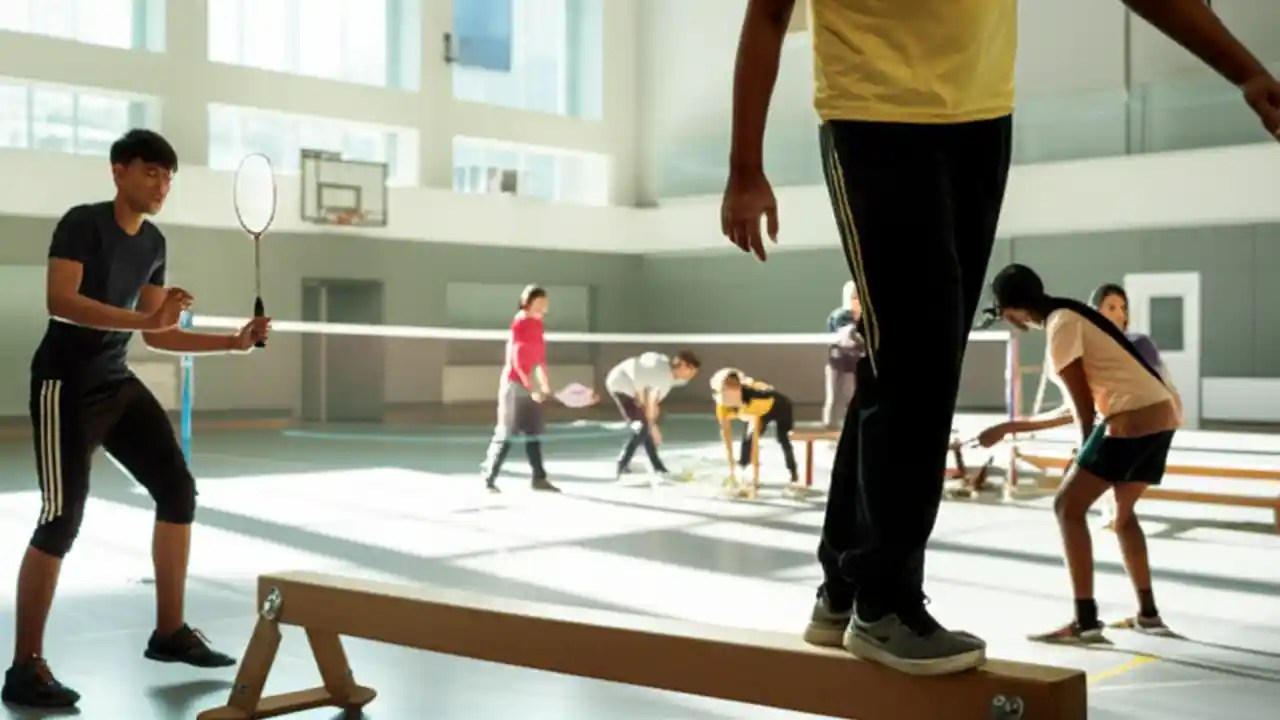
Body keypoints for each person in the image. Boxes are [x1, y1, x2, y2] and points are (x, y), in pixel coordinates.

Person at [719, 0, 1279, 676]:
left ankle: (844, 588)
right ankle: (884, 602)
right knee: (920, 364)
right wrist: (744, 166)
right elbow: (768, 14)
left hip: (982, 122)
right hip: (874, 117)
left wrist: (1244, 70)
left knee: (907, 361)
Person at [3, 129, 272, 709]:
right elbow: (61, 302)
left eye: (169, 176)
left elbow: (159, 331)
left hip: (116, 381)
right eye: (152, 172)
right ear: (119, 171)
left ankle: (170, 632)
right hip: (65, 384)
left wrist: (233, 341)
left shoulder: (153, 242)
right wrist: (147, 322)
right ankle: (24, 667)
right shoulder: (82, 224)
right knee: (60, 518)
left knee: (177, 491)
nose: (162, 184)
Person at [977, 264, 1178, 644]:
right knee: (1122, 517)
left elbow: (1084, 408)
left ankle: (1085, 621)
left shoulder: (1061, 324)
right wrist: (1009, 428)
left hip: (1131, 418)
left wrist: (1084, 451)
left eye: (1005, 313)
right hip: (1161, 416)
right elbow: (1079, 405)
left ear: (1014, 309)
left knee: (1067, 507)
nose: (1008, 320)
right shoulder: (1071, 316)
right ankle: (1148, 615)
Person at [479, 285, 560, 494]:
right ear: (527, 303)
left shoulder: (538, 325)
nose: (544, 307)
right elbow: (518, 359)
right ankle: (489, 477)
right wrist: (531, 386)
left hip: (531, 384)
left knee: (534, 432)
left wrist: (544, 383)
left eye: (545, 303)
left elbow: (539, 358)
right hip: (515, 385)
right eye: (540, 302)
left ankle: (539, 479)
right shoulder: (521, 323)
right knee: (506, 432)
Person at [605, 351, 702, 482]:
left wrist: (652, 425)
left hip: (634, 387)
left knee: (645, 430)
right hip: (620, 385)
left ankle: (658, 467)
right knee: (642, 429)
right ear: (683, 365)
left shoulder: (666, 375)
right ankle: (623, 465)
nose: (692, 376)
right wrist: (653, 427)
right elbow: (644, 401)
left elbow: (653, 401)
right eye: (692, 371)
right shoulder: (661, 375)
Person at [710, 368, 799, 494]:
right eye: (727, 387)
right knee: (747, 440)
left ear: (740, 387)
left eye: (734, 386)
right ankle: (742, 471)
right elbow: (726, 434)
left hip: (780, 406)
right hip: (759, 409)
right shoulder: (721, 406)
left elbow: (756, 439)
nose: (731, 391)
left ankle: (794, 475)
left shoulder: (755, 398)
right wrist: (732, 470)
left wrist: (755, 479)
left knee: (782, 438)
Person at [1090, 283, 1168, 378]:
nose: (1120, 315)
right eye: (1111, 308)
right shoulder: (1085, 350)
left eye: (1123, 308)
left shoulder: (1140, 345)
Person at [823, 280, 864, 429]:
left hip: (853, 364)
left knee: (850, 395)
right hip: (836, 362)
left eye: (859, 297)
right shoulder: (839, 316)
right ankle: (829, 425)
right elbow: (844, 338)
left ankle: (849, 425)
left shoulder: (864, 317)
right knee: (833, 396)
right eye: (854, 297)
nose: (857, 300)